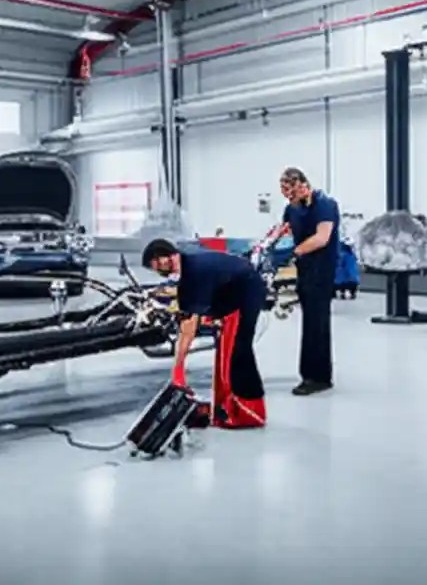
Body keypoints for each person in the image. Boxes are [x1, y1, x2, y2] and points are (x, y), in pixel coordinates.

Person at [143, 238, 267, 428]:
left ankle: (249, 414)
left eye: (160, 263)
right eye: (156, 268)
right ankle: (226, 408)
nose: (160, 269)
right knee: (225, 355)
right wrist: (178, 369)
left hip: (245, 294)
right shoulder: (186, 275)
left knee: (238, 351)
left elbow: (189, 328)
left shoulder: (194, 274)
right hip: (231, 299)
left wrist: (178, 370)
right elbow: (185, 323)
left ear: (170, 256)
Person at [275, 167, 339, 396]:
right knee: (308, 321)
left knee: (317, 322)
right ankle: (309, 373)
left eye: (291, 192)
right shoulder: (292, 208)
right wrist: (268, 245)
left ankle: (319, 377)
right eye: (284, 192)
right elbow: (283, 230)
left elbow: (322, 238)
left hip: (322, 270)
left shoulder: (324, 204)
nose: (288, 197)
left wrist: (295, 252)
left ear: (303, 185)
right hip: (304, 269)